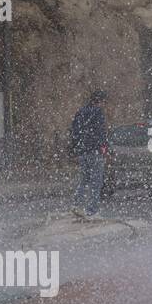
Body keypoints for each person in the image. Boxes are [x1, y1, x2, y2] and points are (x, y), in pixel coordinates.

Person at [68, 90, 108, 218]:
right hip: (94, 150)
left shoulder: (80, 112)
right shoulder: (98, 112)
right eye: (103, 101)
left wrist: (75, 148)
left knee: (84, 179)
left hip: (82, 151)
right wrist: (104, 146)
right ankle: (92, 211)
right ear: (100, 101)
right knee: (96, 182)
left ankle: (76, 205)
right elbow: (101, 132)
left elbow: (74, 130)